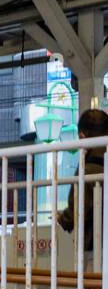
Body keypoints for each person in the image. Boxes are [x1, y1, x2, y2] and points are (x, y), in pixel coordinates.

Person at [57, 108, 107, 252]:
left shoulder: (88, 169)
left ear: (82, 136)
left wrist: (63, 218)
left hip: (96, 245)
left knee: (92, 273)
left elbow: (78, 209)